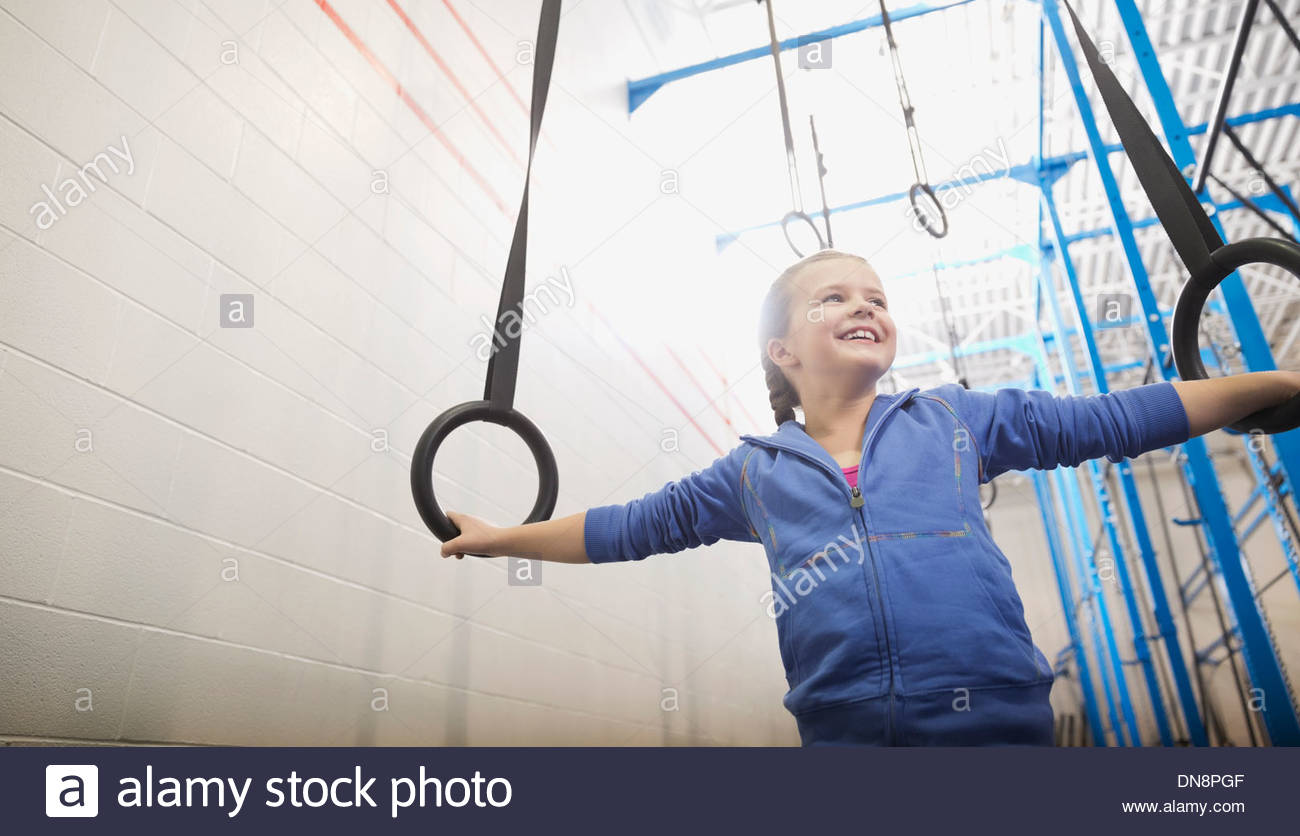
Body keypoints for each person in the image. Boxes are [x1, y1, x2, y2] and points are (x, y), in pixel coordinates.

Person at [438, 249, 1300, 746]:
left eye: (879, 298)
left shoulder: (955, 422)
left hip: (995, 720)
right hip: (847, 737)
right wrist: (502, 538)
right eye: (836, 297)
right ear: (782, 351)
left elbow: (1114, 418)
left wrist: (1266, 385)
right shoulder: (753, 473)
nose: (867, 306)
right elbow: (629, 527)